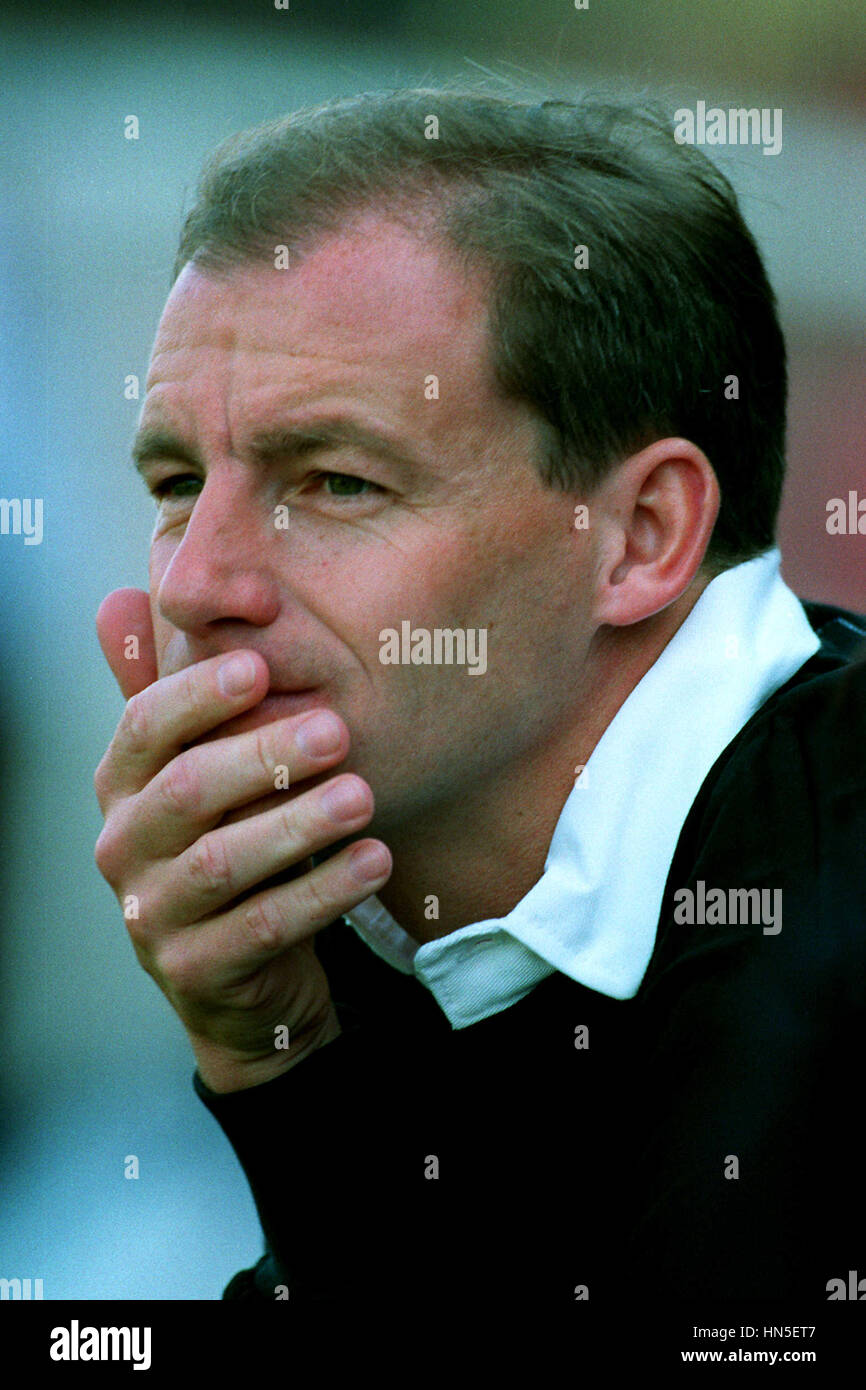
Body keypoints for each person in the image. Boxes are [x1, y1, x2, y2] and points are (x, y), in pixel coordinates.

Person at [93, 87, 866, 1310]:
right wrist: (280, 1060)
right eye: (179, 483)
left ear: (637, 536)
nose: (193, 584)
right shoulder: (378, 935)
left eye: (336, 481)